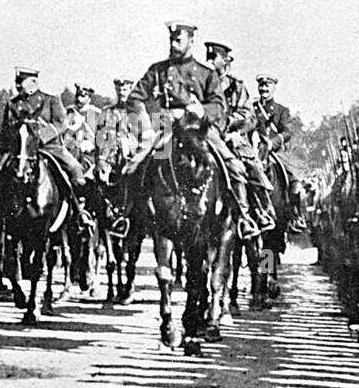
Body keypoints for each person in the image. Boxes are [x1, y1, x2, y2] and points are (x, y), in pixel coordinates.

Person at [126, 19, 260, 239]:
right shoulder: (157, 70)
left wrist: (202, 111)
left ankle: (244, 216)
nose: (173, 44)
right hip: (166, 128)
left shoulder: (206, 73)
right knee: (136, 166)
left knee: (233, 165)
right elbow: (135, 99)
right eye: (171, 39)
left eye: (178, 40)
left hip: (200, 131)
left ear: (190, 41)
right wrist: (147, 127)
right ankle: (128, 217)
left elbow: (219, 106)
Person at [0, 67, 92, 227]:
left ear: (33, 82)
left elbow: (61, 123)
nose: (18, 85)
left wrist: (40, 136)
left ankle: (80, 212)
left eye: (21, 82)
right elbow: (5, 133)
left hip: (49, 147)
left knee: (75, 170)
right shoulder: (13, 103)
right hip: (20, 150)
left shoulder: (50, 99)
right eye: (17, 82)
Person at [204, 41, 276, 234]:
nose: (209, 62)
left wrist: (230, 126)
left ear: (225, 63)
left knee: (246, 167)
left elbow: (248, 115)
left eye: (214, 58)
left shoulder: (236, 86)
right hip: (203, 135)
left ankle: (252, 215)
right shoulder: (199, 82)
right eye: (208, 58)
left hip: (230, 136)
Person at [253, 75, 308, 232]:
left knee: (293, 177)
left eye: (267, 86)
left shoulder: (281, 110)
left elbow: (288, 131)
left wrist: (272, 142)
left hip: (275, 152)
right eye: (261, 86)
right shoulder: (252, 109)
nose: (264, 89)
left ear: (274, 88)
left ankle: (295, 214)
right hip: (254, 148)